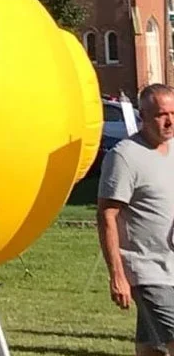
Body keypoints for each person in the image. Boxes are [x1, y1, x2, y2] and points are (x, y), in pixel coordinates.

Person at [97, 83, 174, 356]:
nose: (169, 121)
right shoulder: (124, 156)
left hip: (171, 266)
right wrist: (117, 274)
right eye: (161, 114)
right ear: (143, 115)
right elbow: (107, 215)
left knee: (151, 348)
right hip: (146, 270)